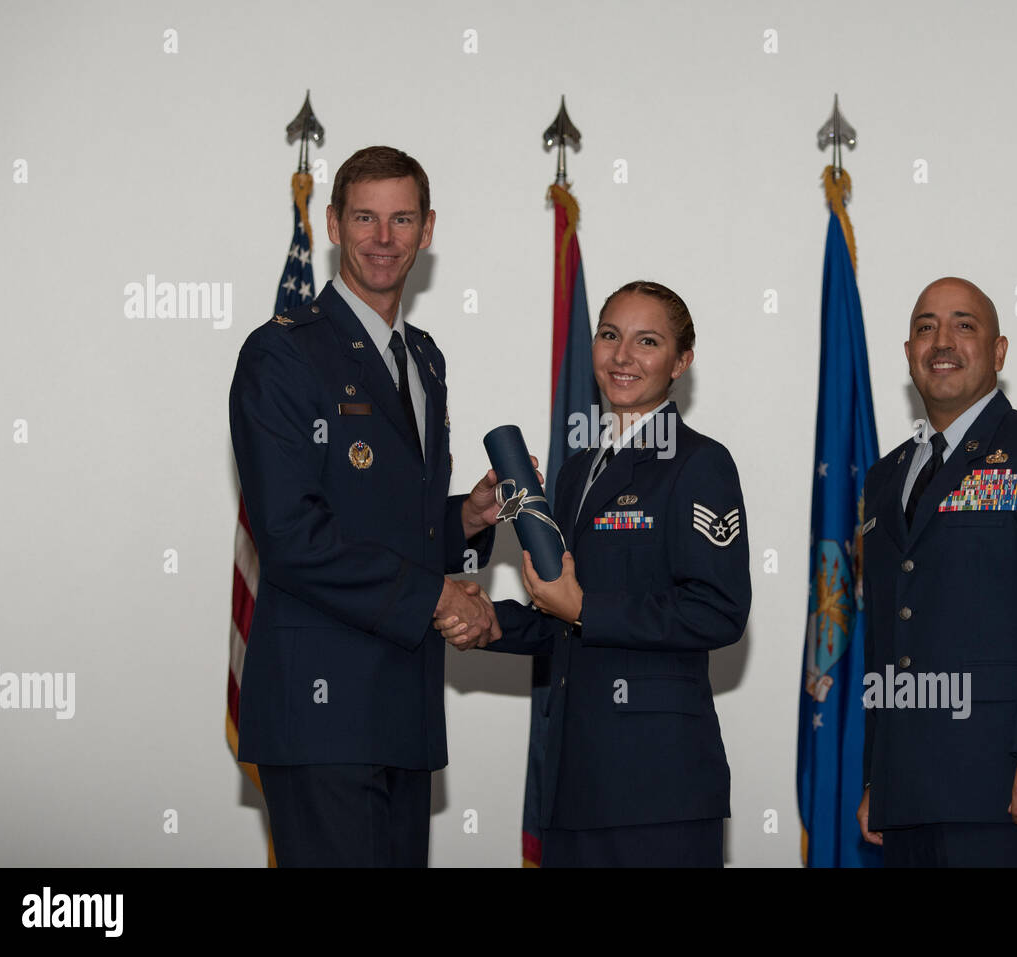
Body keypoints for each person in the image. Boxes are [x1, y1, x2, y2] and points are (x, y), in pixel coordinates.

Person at [229, 146, 512, 867]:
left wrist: (465, 521)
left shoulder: (426, 358)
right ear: (332, 223)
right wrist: (439, 594)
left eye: (402, 218)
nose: (384, 238)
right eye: (365, 217)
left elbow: (394, 527)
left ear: (427, 229)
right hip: (321, 714)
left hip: (404, 709)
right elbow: (292, 536)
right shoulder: (281, 355)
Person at [438, 280, 751, 867]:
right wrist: (480, 618)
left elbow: (718, 610)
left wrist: (582, 608)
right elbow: (565, 616)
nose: (622, 356)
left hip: (660, 786)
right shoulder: (577, 470)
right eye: (609, 336)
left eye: (647, 341)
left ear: (681, 361)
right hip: (573, 779)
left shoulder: (700, 463)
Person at [856, 276, 1017, 867]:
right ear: (908, 355)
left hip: (1008, 787)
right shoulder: (884, 477)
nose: (941, 340)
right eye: (925, 328)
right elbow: (887, 640)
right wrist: (878, 778)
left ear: (998, 351)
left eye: (963, 325)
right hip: (909, 794)